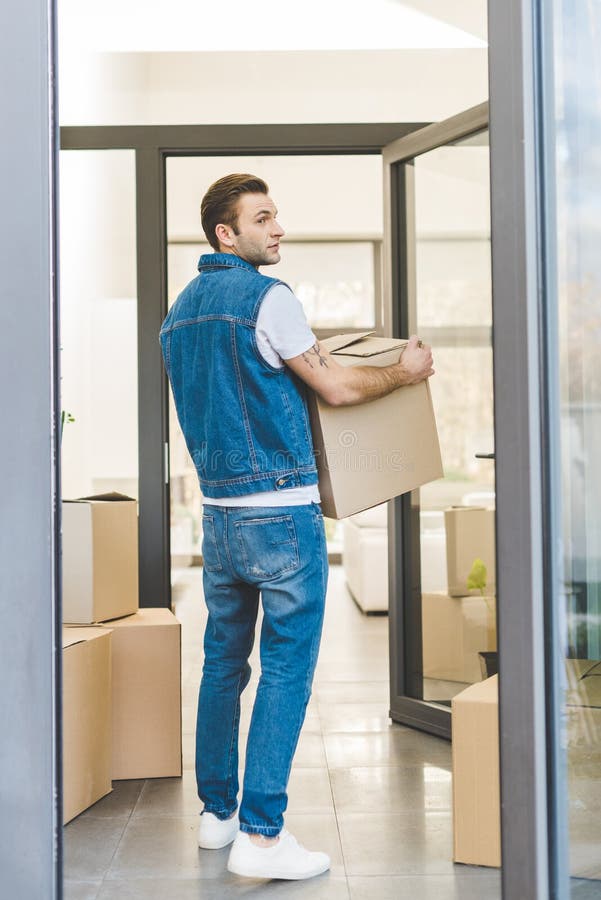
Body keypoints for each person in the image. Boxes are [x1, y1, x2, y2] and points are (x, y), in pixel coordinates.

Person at [159, 173, 434, 881]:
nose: (277, 228)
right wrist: (403, 373)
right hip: (280, 516)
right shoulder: (266, 297)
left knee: (223, 666)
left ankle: (217, 817)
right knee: (285, 668)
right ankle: (262, 834)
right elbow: (336, 386)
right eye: (263, 218)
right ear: (227, 234)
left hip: (217, 519)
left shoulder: (179, 313)